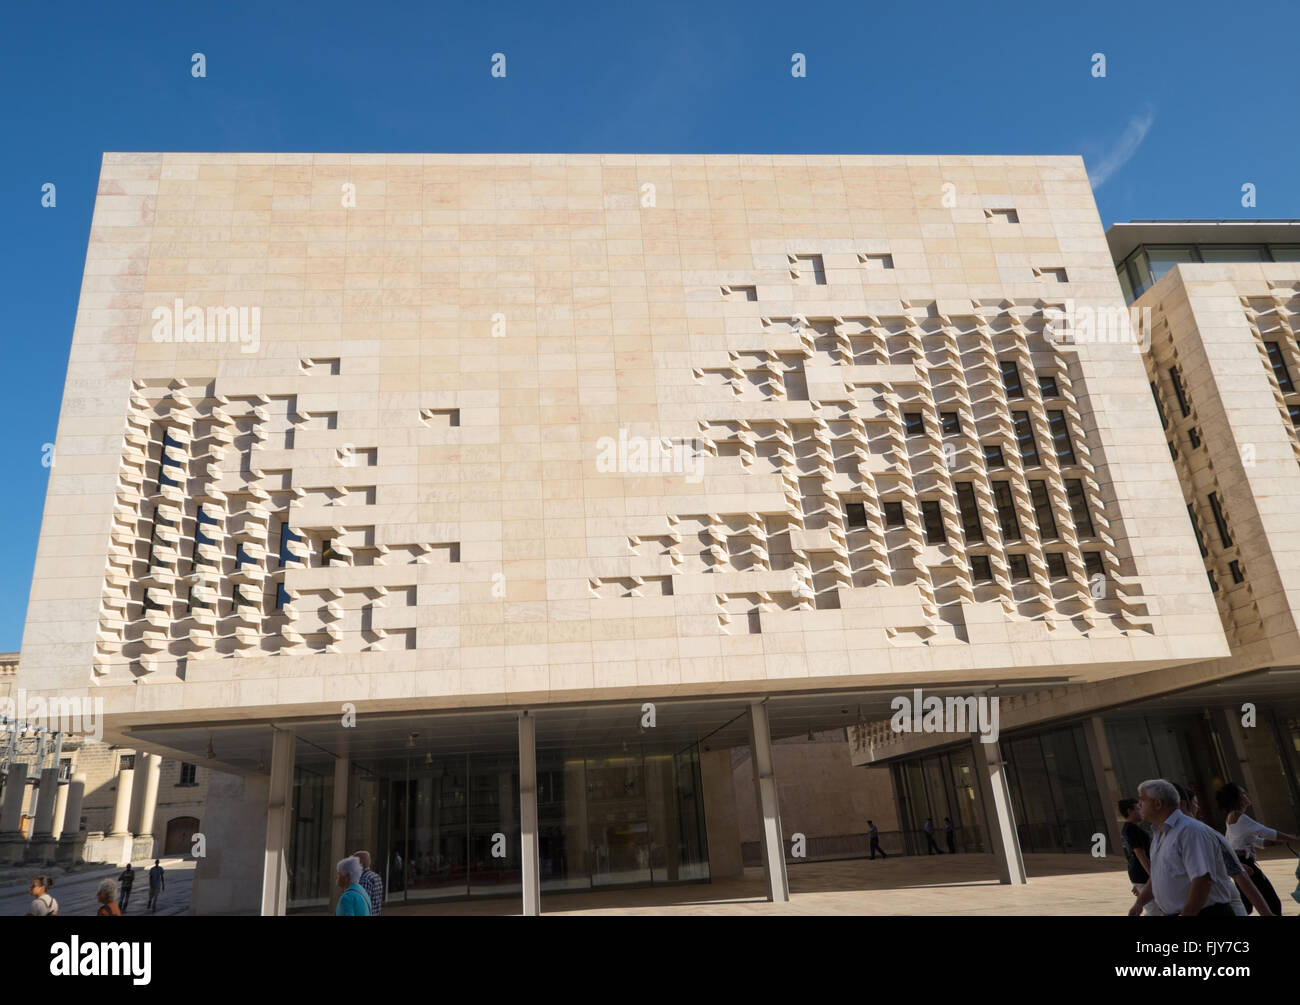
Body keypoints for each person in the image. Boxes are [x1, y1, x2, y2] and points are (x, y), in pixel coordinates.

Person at [1128, 779, 1242, 917]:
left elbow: (1202, 880)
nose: (1139, 805)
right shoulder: (1159, 835)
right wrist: (1139, 903)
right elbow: (1158, 876)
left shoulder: (1190, 831)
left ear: (1158, 803)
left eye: (1142, 800)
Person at [1217, 781, 1296, 917]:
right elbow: (1266, 832)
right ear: (1237, 798)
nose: (1246, 794)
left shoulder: (1234, 817)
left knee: (1245, 906)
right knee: (1272, 903)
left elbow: (1257, 841)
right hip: (1246, 865)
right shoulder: (1238, 816)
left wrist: (1279, 842)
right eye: (1242, 793)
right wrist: (1293, 839)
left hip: (1242, 863)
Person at [1119, 798, 1151, 894]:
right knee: (1154, 908)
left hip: (1138, 874)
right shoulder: (1132, 829)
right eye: (1138, 808)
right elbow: (1140, 854)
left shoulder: (1127, 828)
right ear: (1130, 811)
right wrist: (1153, 875)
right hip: (1143, 874)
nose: (1142, 811)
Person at [355, 849, 384, 916]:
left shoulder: (365, 879)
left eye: (354, 861)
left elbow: (363, 905)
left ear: (361, 863)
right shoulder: (376, 876)